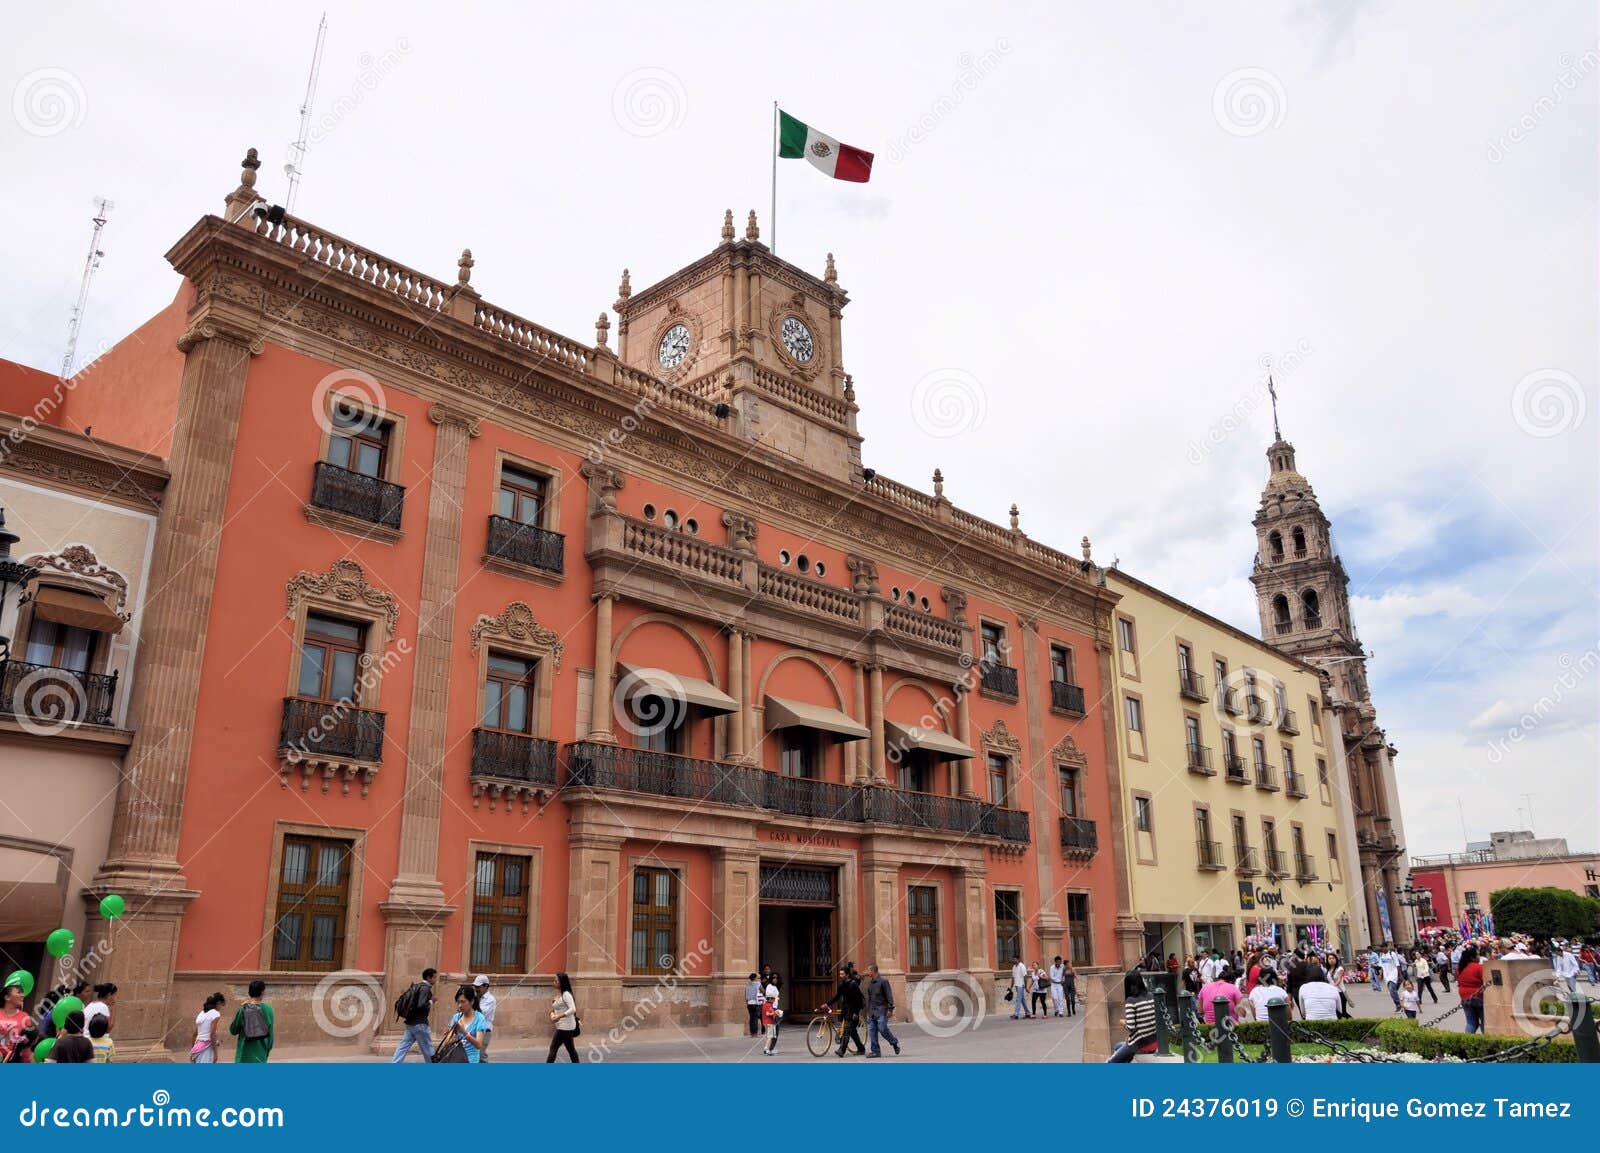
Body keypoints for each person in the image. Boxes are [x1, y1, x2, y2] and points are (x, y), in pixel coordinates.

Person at [1108, 969, 1158, 1063]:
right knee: (1117, 1046)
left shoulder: (1131, 1001)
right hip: (1154, 1042)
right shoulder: (1151, 996)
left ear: (1128, 985)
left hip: (1141, 1044)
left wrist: (1123, 1022)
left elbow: (1131, 1027)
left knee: (1111, 1062)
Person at [391, 967, 437, 1063]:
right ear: (429, 978)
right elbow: (421, 1005)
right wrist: (431, 1001)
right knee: (428, 1047)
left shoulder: (418, 986)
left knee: (403, 1046)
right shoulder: (425, 988)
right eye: (434, 977)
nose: (436, 980)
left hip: (411, 1023)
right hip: (420, 1024)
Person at [820, 966, 865, 1057]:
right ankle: (861, 1049)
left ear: (847, 975)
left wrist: (856, 1013)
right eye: (840, 974)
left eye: (842, 974)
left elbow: (859, 1000)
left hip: (853, 1011)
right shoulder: (842, 985)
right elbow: (837, 997)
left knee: (847, 1030)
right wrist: (827, 1004)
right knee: (852, 1032)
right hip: (845, 1010)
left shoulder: (853, 984)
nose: (840, 976)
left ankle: (842, 1050)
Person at [229, 979, 274, 1062]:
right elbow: (270, 1036)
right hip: (260, 1054)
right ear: (262, 992)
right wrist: (266, 1052)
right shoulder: (269, 1010)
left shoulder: (243, 1009)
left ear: (249, 993)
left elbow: (233, 1030)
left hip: (243, 1055)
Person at [864, 963, 900, 1057]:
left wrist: (890, 1009)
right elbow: (870, 998)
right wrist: (868, 1011)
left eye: (868, 971)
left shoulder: (883, 981)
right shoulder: (870, 983)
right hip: (871, 1012)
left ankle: (894, 1043)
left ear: (873, 971)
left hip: (881, 1011)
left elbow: (889, 995)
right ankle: (875, 1051)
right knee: (872, 1032)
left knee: (882, 1029)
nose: (867, 973)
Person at [446, 986, 489, 1063]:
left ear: (472, 1001)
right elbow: (447, 1042)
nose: (459, 1005)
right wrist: (451, 1039)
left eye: (463, 1002)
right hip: (456, 1059)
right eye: (458, 1002)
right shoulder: (456, 1017)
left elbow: (478, 1045)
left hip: (471, 1060)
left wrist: (464, 1032)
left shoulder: (479, 1018)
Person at [547, 971, 580, 1062]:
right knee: (571, 1050)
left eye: (556, 981)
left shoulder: (566, 994)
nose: (554, 982)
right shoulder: (561, 994)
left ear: (562, 982)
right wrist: (552, 1012)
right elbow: (559, 1008)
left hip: (565, 1027)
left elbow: (573, 1009)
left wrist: (559, 1017)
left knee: (553, 1048)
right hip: (565, 1027)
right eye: (554, 980)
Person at [0, 981, 31, 1062]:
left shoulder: (25, 1017)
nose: (23, 995)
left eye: (22, 993)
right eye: (19, 992)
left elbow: (27, 1044)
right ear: (7, 997)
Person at [190, 992, 226, 1063]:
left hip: (197, 1047)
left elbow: (195, 1034)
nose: (221, 1007)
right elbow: (212, 1034)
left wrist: (192, 1050)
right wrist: (216, 1053)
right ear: (218, 1003)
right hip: (207, 1049)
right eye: (221, 1004)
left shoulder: (202, 1013)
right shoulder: (215, 1014)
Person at [1456, 946, 1485, 1034]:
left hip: (1464, 996)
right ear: (1472, 957)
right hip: (1478, 996)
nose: (1479, 957)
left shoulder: (1460, 968)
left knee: (1471, 1022)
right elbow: (1485, 982)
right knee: (1485, 1022)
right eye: (1477, 955)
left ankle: (1466, 1040)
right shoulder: (1479, 967)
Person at [473, 975, 497, 1061]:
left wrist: (471, 1006)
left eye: (478, 987)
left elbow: (480, 1014)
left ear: (486, 986)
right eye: (475, 987)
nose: (476, 989)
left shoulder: (490, 999)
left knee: (480, 1055)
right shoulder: (475, 997)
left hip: (484, 1031)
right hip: (473, 1030)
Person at [1378, 944, 1402, 1010]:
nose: (1382, 949)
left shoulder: (1392, 954)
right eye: (1381, 948)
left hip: (1393, 974)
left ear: (1386, 947)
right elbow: (1382, 966)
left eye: (1383, 947)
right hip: (1386, 976)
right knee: (1392, 992)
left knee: (1392, 989)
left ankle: (1398, 1005)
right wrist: (1380, 974)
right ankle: (1398, 1004)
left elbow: (1397, 964)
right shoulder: (1381, 955)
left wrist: (1400, 975)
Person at [760, 990, 781, 1056]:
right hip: (769, 1023)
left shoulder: (765, 1004)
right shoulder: (769, 1005)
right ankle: (766, 1049)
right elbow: (768, 1013)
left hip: (766, 1022)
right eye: (774, 998)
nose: (775, 1000)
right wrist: (775, 1013)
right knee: (770, 1037)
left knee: (769, 1036)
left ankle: (767, 1049)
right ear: (770, 999)